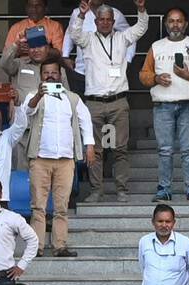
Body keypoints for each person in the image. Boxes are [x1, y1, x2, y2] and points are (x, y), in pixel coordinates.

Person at [69, 0, 150, 202]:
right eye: (101, 20)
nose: (105, 23)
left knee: (120, 148)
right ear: (95, 22)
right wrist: (81, 15)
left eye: (108, 20)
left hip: (118, 101)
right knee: (94, 149)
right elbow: (74, 34)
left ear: (113, 21)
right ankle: (97, 190)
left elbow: (140, 28)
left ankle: (122, 189)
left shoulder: (123, 38)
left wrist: (141, 10)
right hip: (94, 103)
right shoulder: (87, 40)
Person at [140, 7, 189, 202]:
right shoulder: (156, 46)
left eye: (179, 21)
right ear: (165, 24)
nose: (175, 24)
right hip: (163, 104)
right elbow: (143, 75)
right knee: (165, 150)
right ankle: (164, 189)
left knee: (188, 149)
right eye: (171, 21)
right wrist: (156, 78)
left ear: (186, 24)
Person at [24, 57, 96, 257]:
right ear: (41, 76)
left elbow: (85, 120)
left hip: (65, 160)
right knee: (38, 206)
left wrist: (89, 145)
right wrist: (38, 95)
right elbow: (27, 112)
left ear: (60, 75)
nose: (49, 76)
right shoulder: (33, 95)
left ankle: (60, 246)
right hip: (40, 159)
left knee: (61, 207)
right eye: (46, 73)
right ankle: (36, 248)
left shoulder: (72, 98)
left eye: (53, 72)